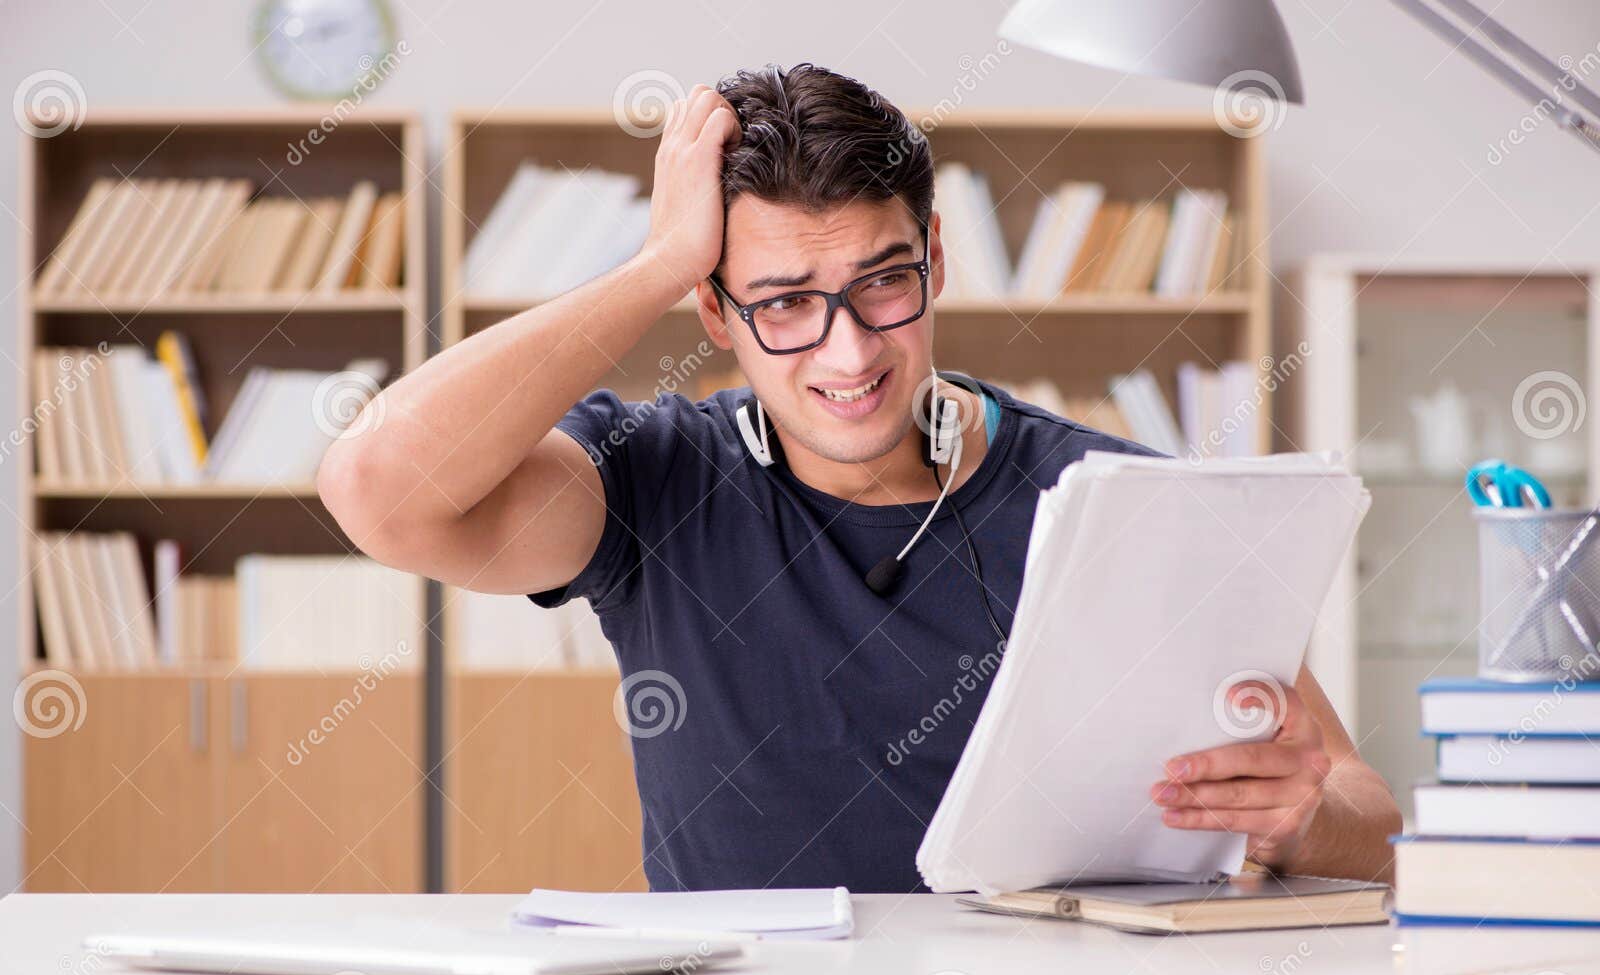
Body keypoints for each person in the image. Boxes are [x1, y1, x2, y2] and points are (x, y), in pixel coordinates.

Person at [318, 63, 1401, 892]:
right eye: (785, 302)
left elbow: (1371, 820)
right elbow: (375, 487)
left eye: (883, 283)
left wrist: (1304, 820)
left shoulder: (1118, 500)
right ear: (715, 312)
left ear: (936, 259)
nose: (849, 354)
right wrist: (655, 267)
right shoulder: (651, 480)